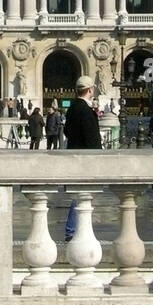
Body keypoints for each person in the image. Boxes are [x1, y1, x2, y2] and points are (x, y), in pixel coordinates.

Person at [63, 76, 102, 240]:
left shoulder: (72, 107)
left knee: (81, 195)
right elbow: (92, 138)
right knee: (82, 195)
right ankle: (72, 230)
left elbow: (66, 131)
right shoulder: (85, 110)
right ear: (90, 90)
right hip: (85, 159)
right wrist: (98, 157)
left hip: (74, 154)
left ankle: (75, 229)